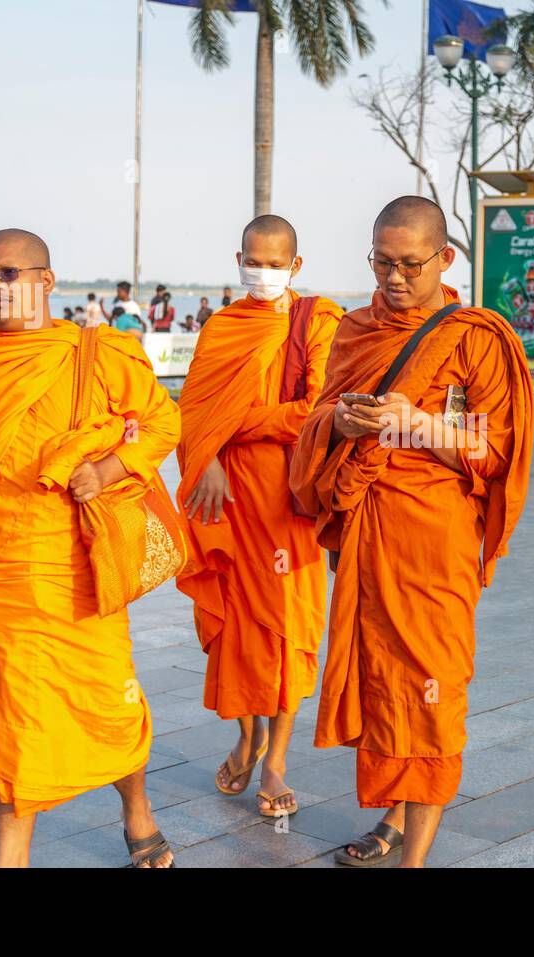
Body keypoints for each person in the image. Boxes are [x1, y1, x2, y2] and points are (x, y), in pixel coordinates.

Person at [0, 228, 181, 867]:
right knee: (12, 720)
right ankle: (10, 858)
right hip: (2, 572)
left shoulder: (97, 352)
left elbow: (163, 422)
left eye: (9, 274)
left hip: (81, 570)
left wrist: (112, 468)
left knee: (111, 704)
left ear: (46, 281)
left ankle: (136, 809)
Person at [289, 196, 533, 868]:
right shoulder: (356, 328)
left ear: (445, 259)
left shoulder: (477, 336)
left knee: (432, 684)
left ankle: (413, 857)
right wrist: (339, 424)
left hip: (435, 542)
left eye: (410, 265)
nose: (394, 277)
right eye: (382, 262)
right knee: (383, 682)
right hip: (370, 536)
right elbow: (315, 420)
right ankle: (395, 814)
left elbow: (497, 450)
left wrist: (419, 426)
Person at [176, 215, 342, 818]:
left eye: (274, 263)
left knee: (289, 629)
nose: (262, 272)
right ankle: (247, 736)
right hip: (227, 497)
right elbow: (192, 410)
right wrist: (210, 454)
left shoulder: (317, 321)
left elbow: (318, 410)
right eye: (253, 260)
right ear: (238, 258)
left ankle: (277, 760)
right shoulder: (221, 327)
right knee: (239, 625)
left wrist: (235, 425)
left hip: (289, 501)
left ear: (295, 266)